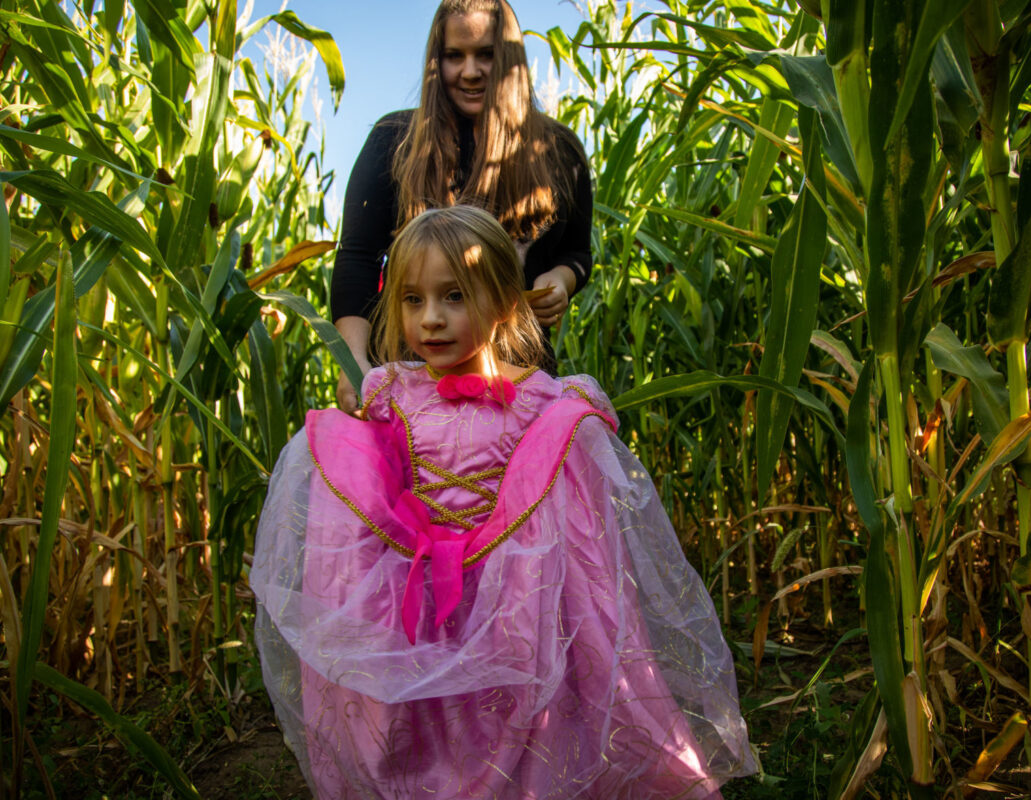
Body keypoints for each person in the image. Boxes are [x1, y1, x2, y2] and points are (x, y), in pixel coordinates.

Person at [251, 206, 756, 799]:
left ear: (503, 304)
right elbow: (372, 477)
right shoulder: (393, 392)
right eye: (413, 300)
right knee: (433, 718)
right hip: (422, 602)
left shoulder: (542, 399)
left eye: (454, 297)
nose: (431, 320)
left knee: (519, 717)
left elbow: (571, 502)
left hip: (517, 599)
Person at [332, 0, 592, 412]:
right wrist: (353, 363)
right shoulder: (392, 140)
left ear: (511, 59)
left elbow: (577, 253)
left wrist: (561, 280)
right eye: (455, 55)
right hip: (411, 387)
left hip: (518, 388)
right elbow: (358, 259)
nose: (470, 72)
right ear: (436, 60)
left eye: (486, 54)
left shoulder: (558, 150)